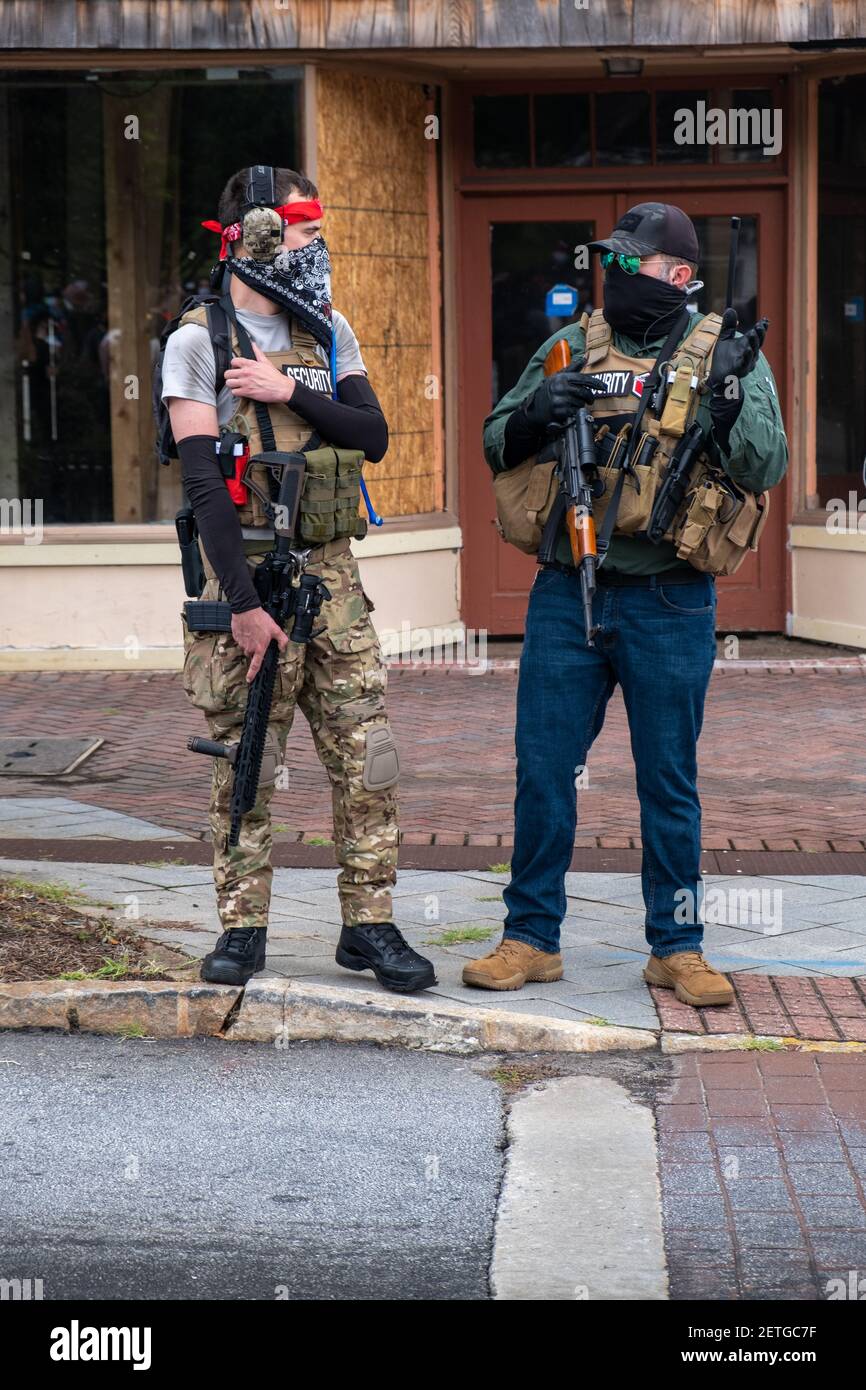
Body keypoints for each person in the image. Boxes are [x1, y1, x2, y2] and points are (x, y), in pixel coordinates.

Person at [468, 202, 788, 1006]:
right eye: (609, 261)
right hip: (565, 595)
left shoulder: (726, 350)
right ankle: (530, 938)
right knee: (543, 772)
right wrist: (538, 412)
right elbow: (497, 436)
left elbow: (768, 461)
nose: (613, 275)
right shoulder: (572, 342)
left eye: (631, 263)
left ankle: (676, 947)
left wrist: (723, 407)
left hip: (670, 600)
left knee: (668, 781)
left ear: (679, 276)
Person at [162, 165, 435, 994]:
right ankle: (242, 930)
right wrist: (241, 606)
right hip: (245, 582)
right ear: (254, 235)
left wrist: (289, 390)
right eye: (304, 227)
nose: (318, 241)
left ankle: (370, 925)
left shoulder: (328, 330)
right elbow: (203, 483)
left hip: (335, 581)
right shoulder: (197, 338)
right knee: (246, 762)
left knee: (367, 760)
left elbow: (375, 435)